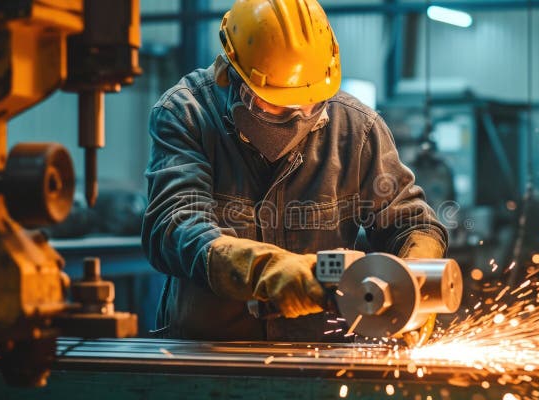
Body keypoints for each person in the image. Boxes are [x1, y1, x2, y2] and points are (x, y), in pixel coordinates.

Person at [142, 0, 447, 341]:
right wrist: (265, 272)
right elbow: (174, 227)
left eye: (310, 102)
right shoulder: (187, 115)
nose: (298, 115)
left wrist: (414, 281)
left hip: (321, 356)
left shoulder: (357, 129)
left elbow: (412, 224)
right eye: (276, 102)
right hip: (210, 352)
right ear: (231, 74)